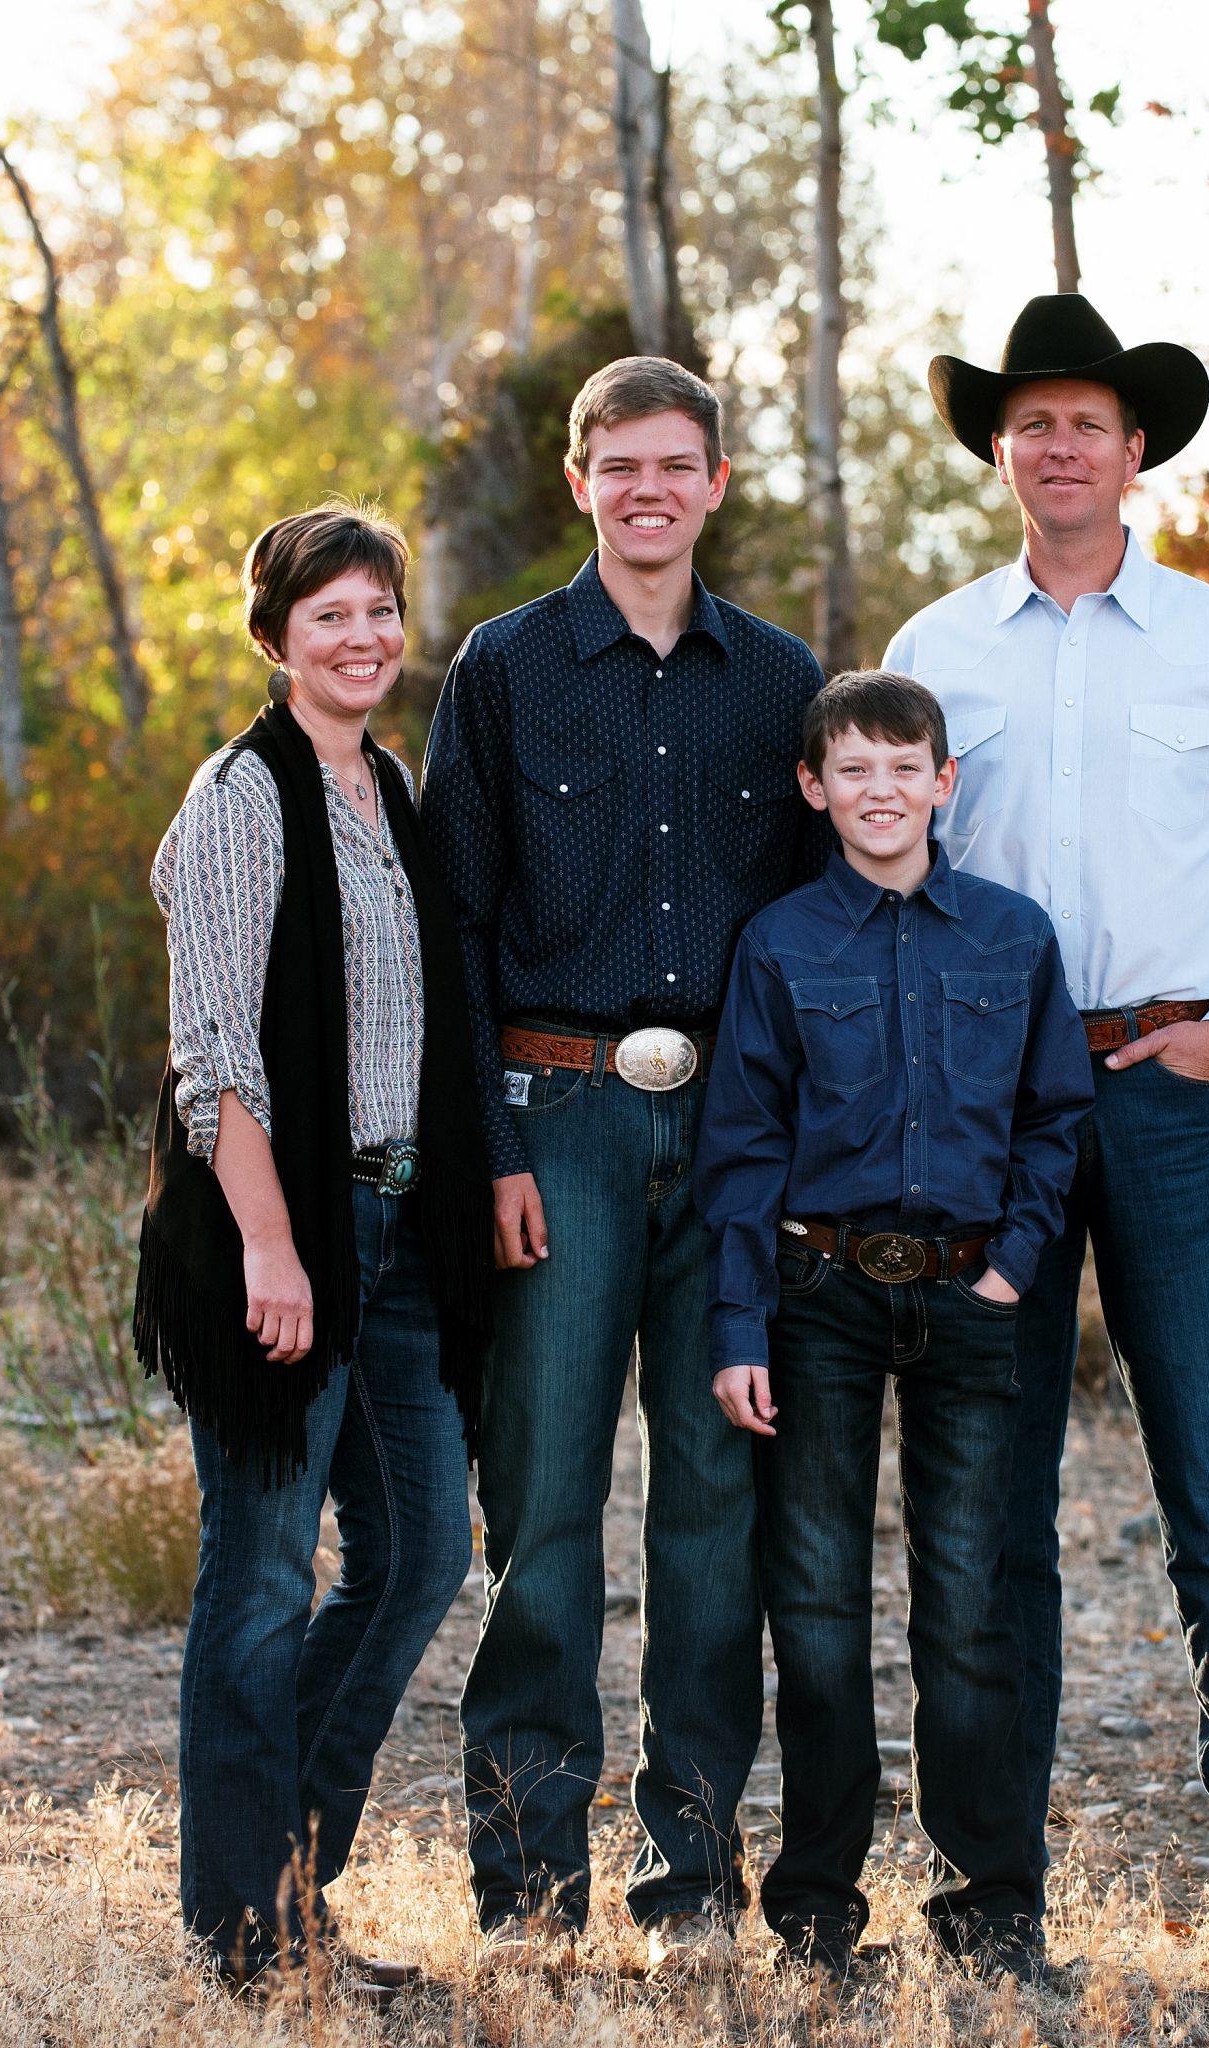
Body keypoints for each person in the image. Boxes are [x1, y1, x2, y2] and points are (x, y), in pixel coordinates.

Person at [885, 294, 1209, 1956]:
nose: (1062, 446)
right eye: (1032, 424)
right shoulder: (935, 653)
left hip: (1169, 1096)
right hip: (985, 1118)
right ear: (1000, 454)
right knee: (985, 1508)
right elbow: (893, 879)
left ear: (1136, 445)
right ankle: (990, 1898)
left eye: (1088, 420)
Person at [419, 357, 828, 1974]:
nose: (649, 489)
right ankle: (527, 1896)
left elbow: (810, 943)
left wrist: (796, 1156)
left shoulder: (780, 676)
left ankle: (692, 1892)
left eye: (679, 465)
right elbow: (455, 924)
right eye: (619, 465)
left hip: (732, 1134)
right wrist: (493, 1147)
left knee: (714, 1519)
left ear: (717, 483)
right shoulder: (508, 666)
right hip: (559, 1118)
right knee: (544, 1511)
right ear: (578, 479)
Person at [134, 499, 494, 1995]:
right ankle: (246, 1932)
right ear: (276, 635)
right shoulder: (244, 794)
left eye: (380, 611)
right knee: (265, 1572)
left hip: (403, 1229)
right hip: (278, 1232)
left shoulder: (391, 787)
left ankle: (287, 1872)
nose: (363, 638)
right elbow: (214, 1056)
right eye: (330, 615)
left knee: (419, 1551)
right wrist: (271, 1249)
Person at [695, 671, 1093, 1982]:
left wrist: (1016, 1268)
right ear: (813, 788)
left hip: (973, 1298)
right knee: (812, 1608)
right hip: (817, 1302)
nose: (878, 792)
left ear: (943, 782)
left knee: (972, 1610)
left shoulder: (1012, 937)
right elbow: (744, 1142)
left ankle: (993, 1912)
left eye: (901, 767)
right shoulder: (781, 942)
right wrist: (739, 1322)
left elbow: (1054, 1117)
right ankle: (816, 1914)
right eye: (850, 770)